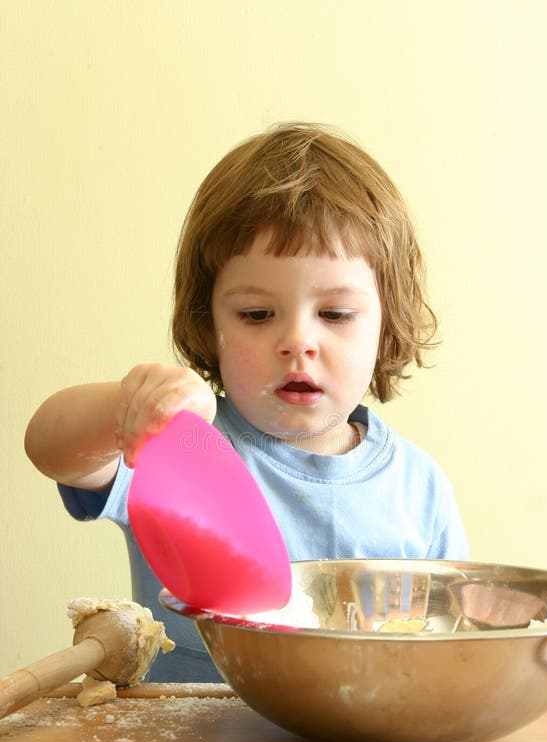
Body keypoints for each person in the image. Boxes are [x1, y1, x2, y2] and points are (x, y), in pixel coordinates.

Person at [25, 122, 469, 682]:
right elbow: (49, 446)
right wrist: (129, 408)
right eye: (257, 315)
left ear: (387, 325)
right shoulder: (181, 451)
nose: (298, 341)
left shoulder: (419, 488)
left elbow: (453, 652)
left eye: (334, 314)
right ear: (208, 326)